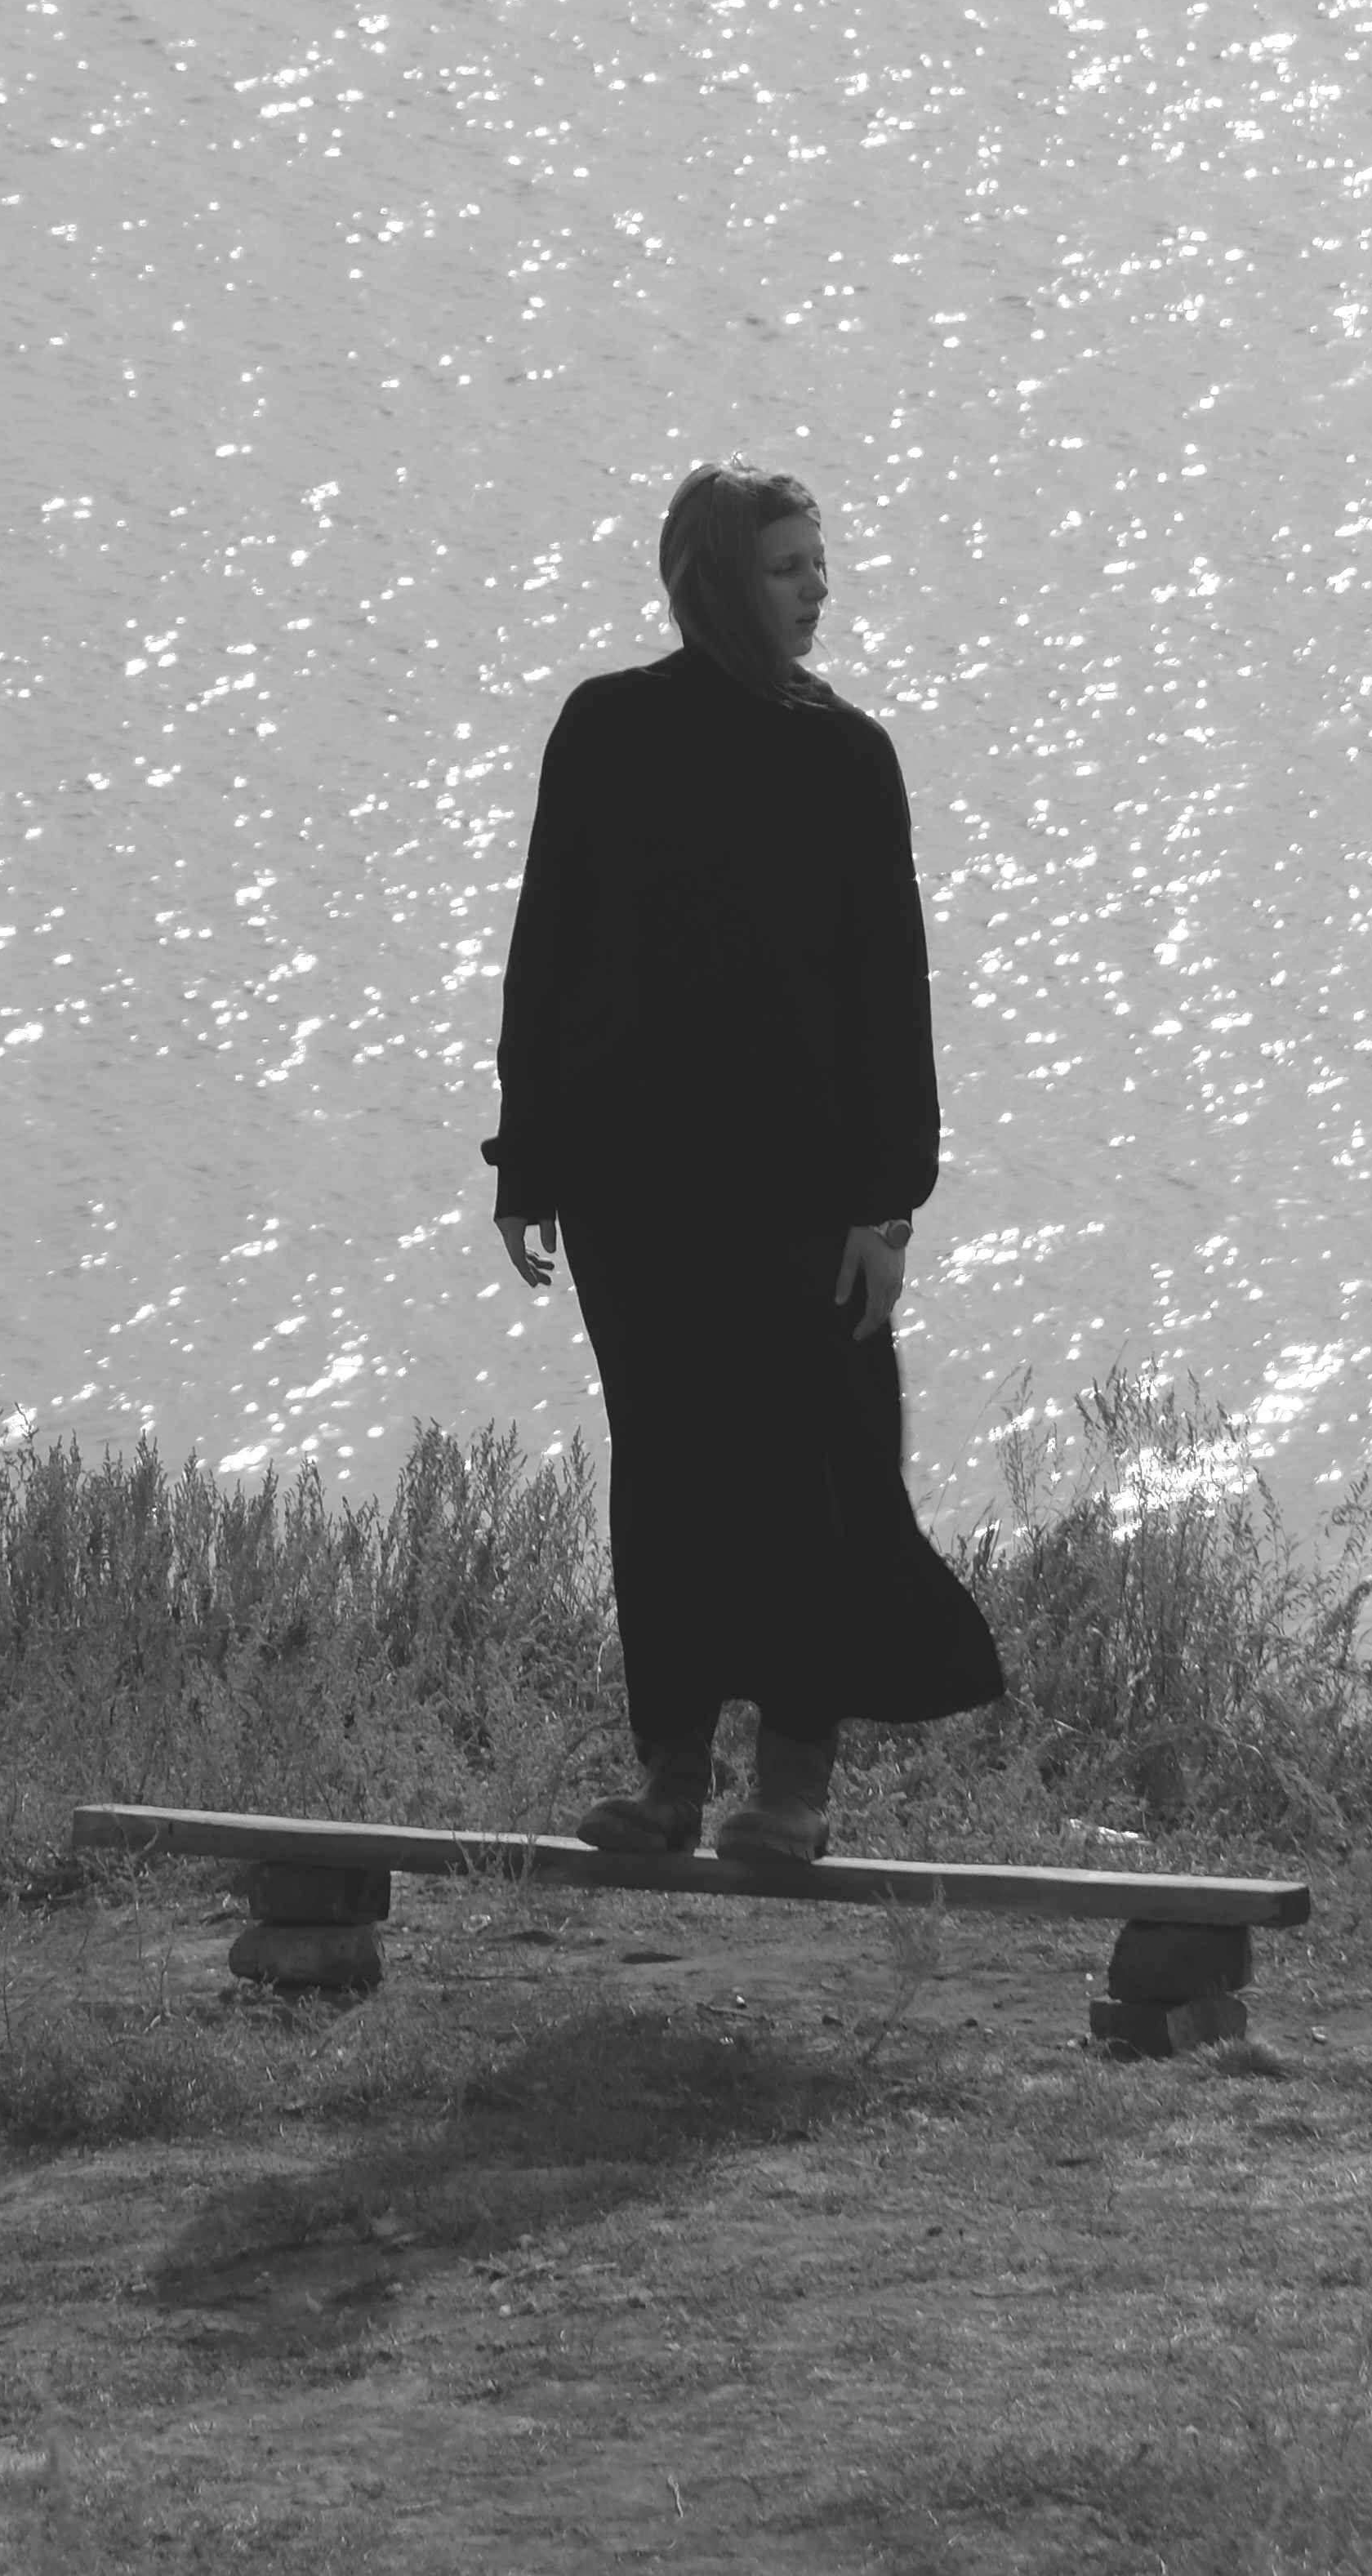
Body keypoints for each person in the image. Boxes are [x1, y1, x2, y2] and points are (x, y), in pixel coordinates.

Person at [483, 461, 1004, 1861]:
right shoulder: (606, 730)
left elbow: (889, 988)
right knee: (667, 1469)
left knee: (811, 1468)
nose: (818, 588)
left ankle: (789, 1790)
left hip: (802, 1190)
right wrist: (525, 1161)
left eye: (817, 564)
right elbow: (553, 954)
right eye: (787, 567)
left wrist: (887, 1201)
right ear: (718, 579)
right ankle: (664, 1782)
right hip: (633, 1186)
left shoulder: (846, 757)